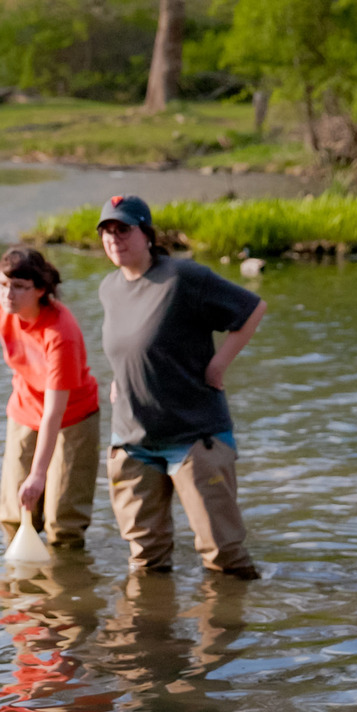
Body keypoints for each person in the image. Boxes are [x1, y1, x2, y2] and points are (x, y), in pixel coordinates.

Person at [96, 195, 267, 579]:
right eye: (107, 231)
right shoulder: (109, 288)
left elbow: (252, 308)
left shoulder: (183, 277)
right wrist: (118, 377)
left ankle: (230, 633)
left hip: (194, 437)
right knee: (145, 562)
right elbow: (128, 343)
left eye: (124, 229)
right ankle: (151, 636)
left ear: (147, 234)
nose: (114, 238)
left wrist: (219, 364)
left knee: (224, 558)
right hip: (133, 441)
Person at [0, 246, 101, 548]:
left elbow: (54, 413)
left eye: (19, 287)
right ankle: (18, 586)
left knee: (63, 523)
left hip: (72, 418)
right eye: (3, 284)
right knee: (16, 513)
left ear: (41, 290)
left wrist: (39, 474)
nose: (8, 294)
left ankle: (66, 588)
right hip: (24, 409)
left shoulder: (61, 334)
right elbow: (1, 322)